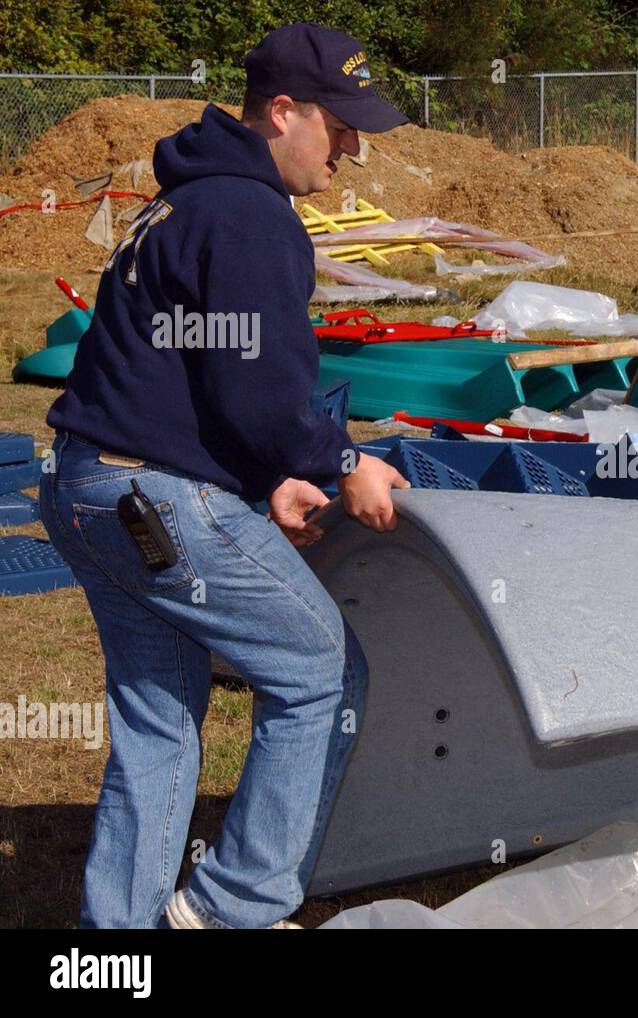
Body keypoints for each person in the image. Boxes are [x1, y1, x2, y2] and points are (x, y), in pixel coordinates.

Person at [40, 22, 412, 928]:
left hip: (90, 487)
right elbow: (261, 393)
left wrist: (262, 478)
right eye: (342, 125)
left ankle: (115, 946)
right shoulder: (252, 218)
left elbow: (190, 371)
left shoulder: (187, 202)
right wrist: (341, 460)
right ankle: (235, 907)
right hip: (154, 501)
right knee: (320, 670)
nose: (354, 149)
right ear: (283, 112)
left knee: (159, 723)